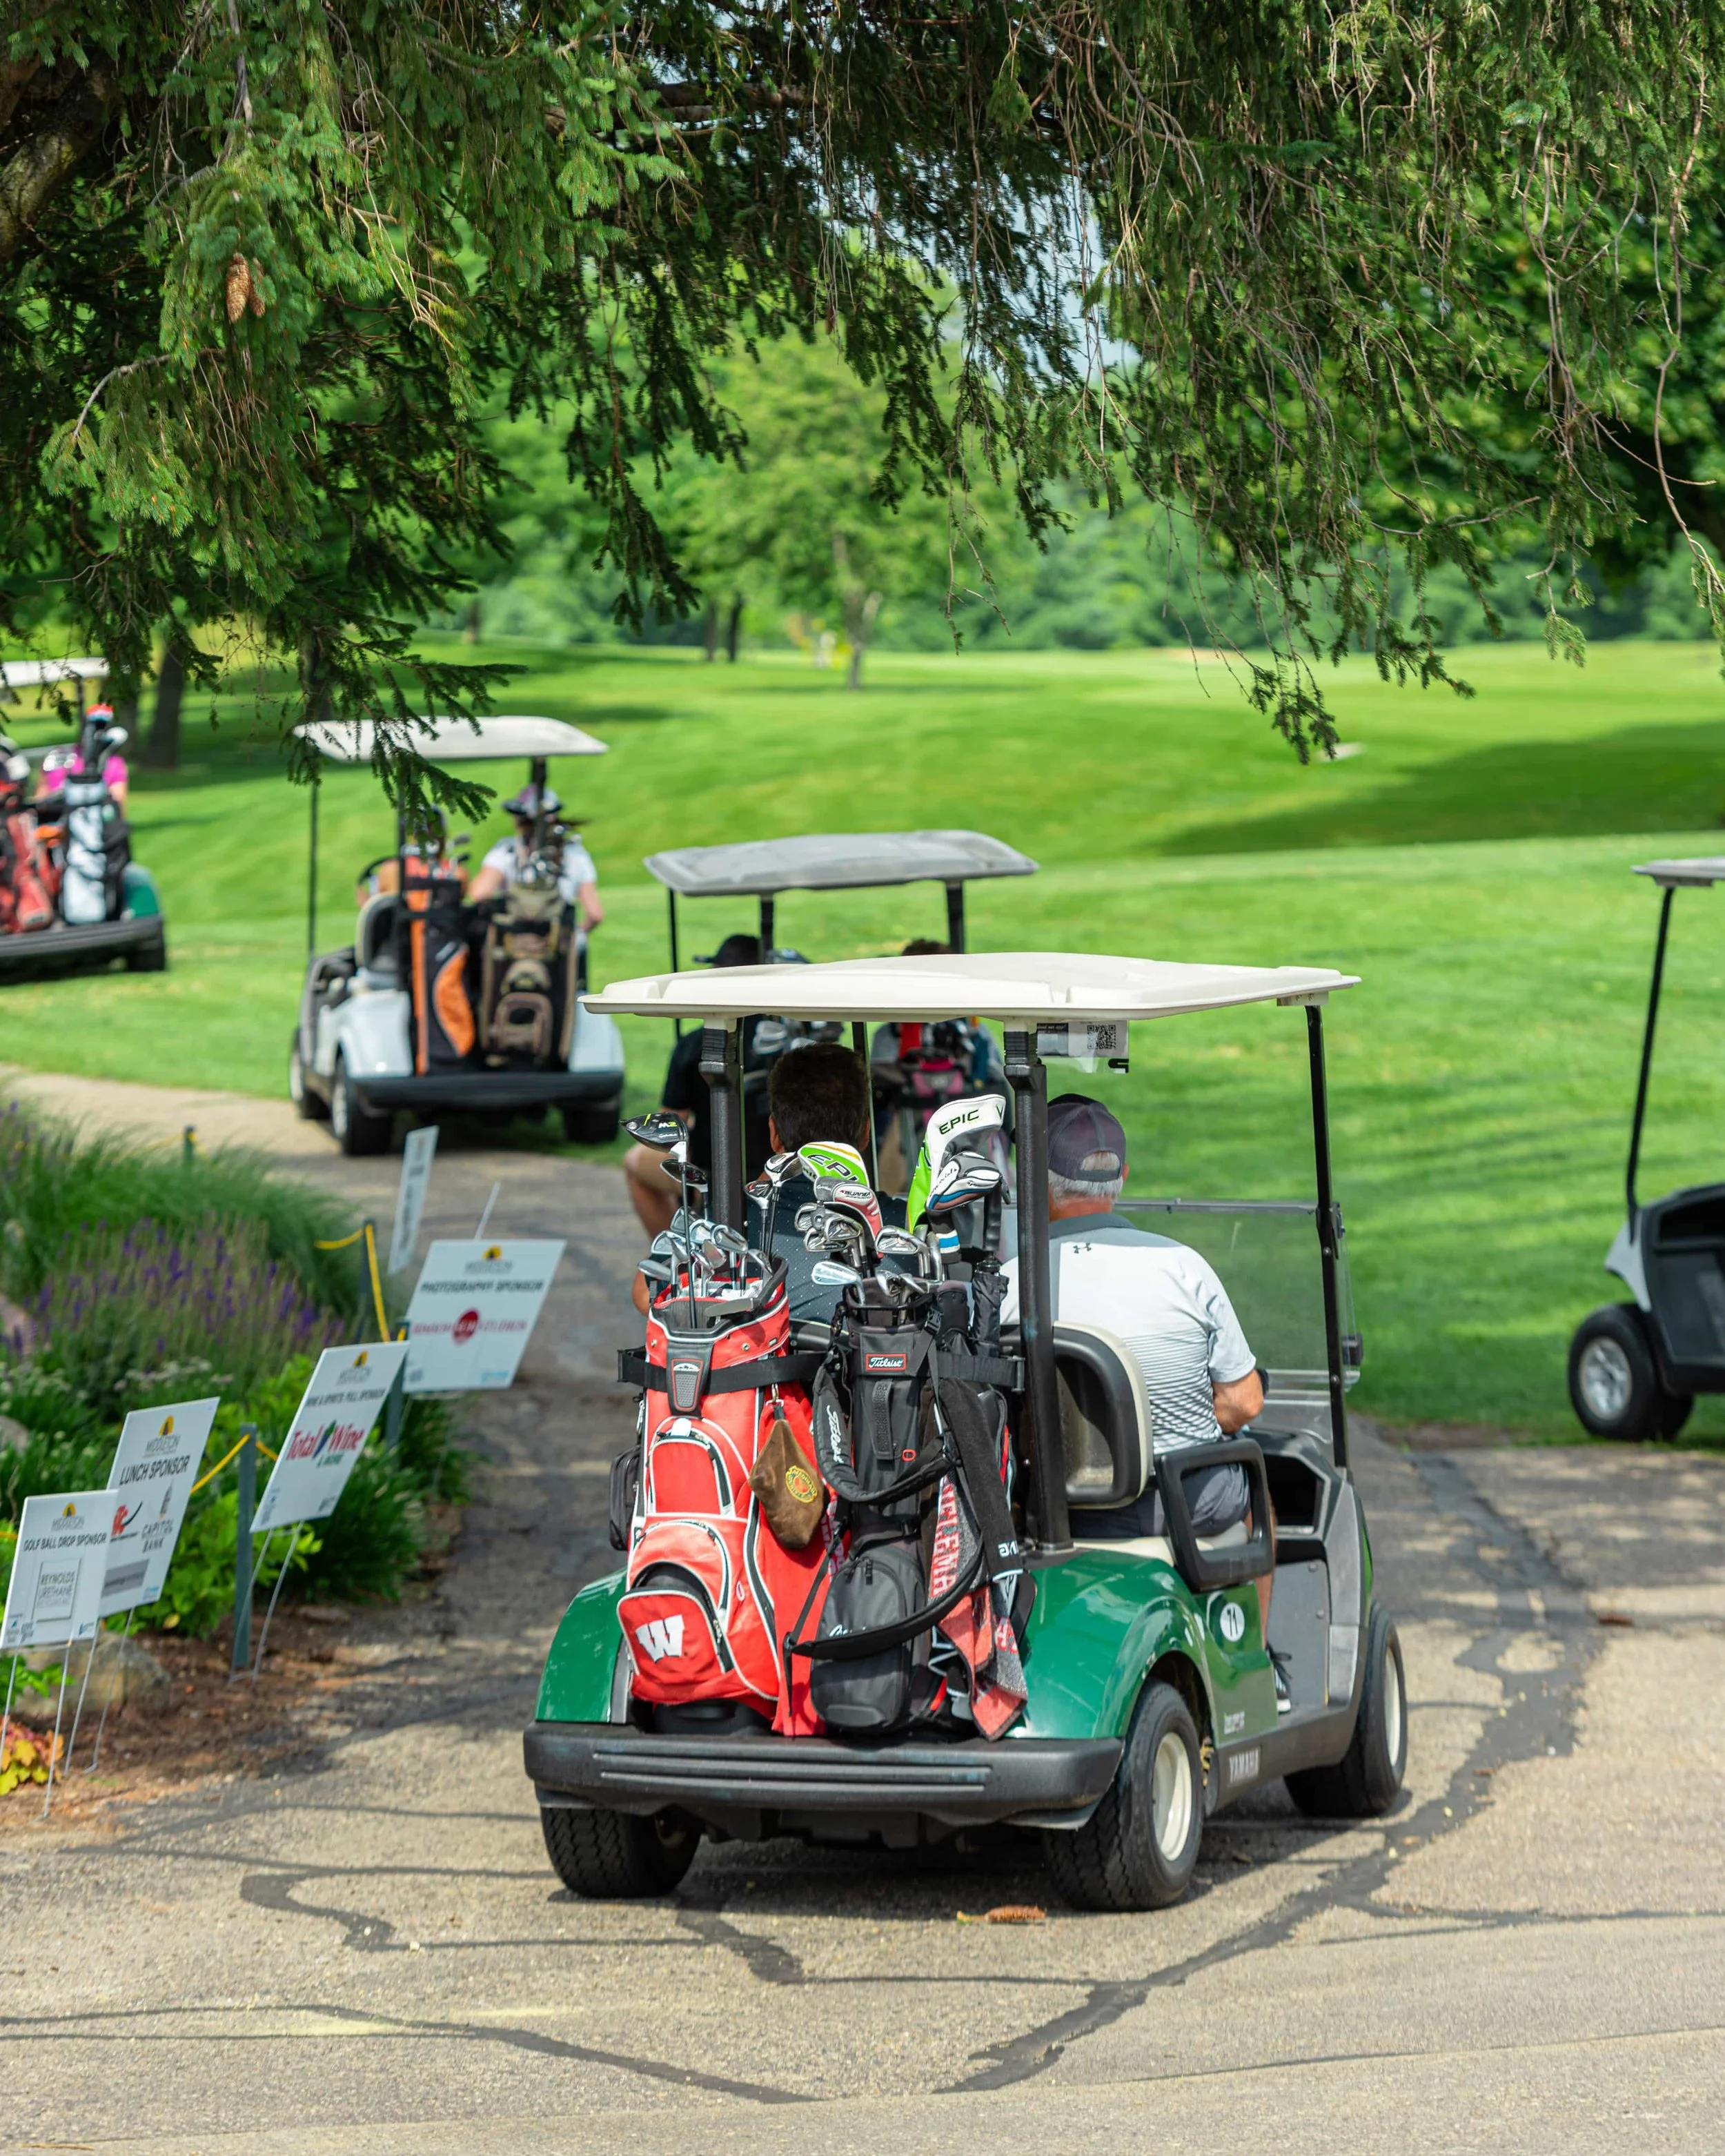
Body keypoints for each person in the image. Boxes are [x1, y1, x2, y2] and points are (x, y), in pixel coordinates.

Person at [1000, 1094, 1288, 1711]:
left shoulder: (1013, 1283)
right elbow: (1244, 1401)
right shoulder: (1184, 1269)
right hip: (1178, 1507)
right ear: (1121, 1178)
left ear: (1038, 1181)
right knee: (1255, 1479)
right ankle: (1261, 1660)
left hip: (1056, 1512)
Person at [631, 1039, 903, 1321]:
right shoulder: (904, 1226)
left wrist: (756, 1187)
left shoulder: (729, 1220)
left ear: (774, 1133)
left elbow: (643, 1294)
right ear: (866, 1133)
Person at [623, 933, 766, 1238]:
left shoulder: (693, 1046)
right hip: (775, 1163)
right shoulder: (785, 1038)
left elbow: (671, 1125)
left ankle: (677, 1255)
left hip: (710, 1168)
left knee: (635, 1161)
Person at [466, 787, 602, 928]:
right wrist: (578, 934)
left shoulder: (507, 849)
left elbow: (480, 893)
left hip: (514, 938)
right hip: (560, 939)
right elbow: (595, 914)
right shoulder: (575, 852)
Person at [37, 704, 128, 815]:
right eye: (93, 726)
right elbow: (41, 796)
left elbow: (117, 803)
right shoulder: (59, 756)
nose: (96, 733)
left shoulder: (114, 764)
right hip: (57, 818)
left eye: (101, 727)